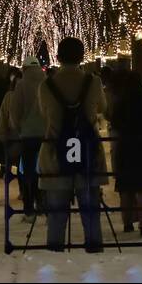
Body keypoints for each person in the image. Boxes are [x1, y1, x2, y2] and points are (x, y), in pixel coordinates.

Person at [38, 36, 107, 253]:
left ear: (57, 57)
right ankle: (94, 248)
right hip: (88, 152)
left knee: (57, 211)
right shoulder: (93, 81)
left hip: (55, 152)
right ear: (81, 56)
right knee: (90, 209)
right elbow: (102, 107)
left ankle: (55, 249)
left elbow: (44, 114)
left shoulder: (46, 85)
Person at [109, 70, 142, 237]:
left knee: (126, 187)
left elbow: (115, 123)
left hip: (126, 146)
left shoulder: (120, 104)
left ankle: (127, 222)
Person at [10, 56, 45, 219]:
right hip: (47, 135)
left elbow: (15, 111)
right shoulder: (47, 83)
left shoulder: (21, 85)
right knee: (45, 170)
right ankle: (44, 205)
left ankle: (29, 208)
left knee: (27, 172)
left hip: (28, 135)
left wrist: (19, 128)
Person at [0, 68, 22, 199]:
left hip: (13, 136)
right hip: (21, 136)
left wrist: (2, 132)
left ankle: (25, 193)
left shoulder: (9, 96)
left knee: (18, 164)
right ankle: (27, 193)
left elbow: (3, 116)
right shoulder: (32, 94)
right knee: (24, 166)